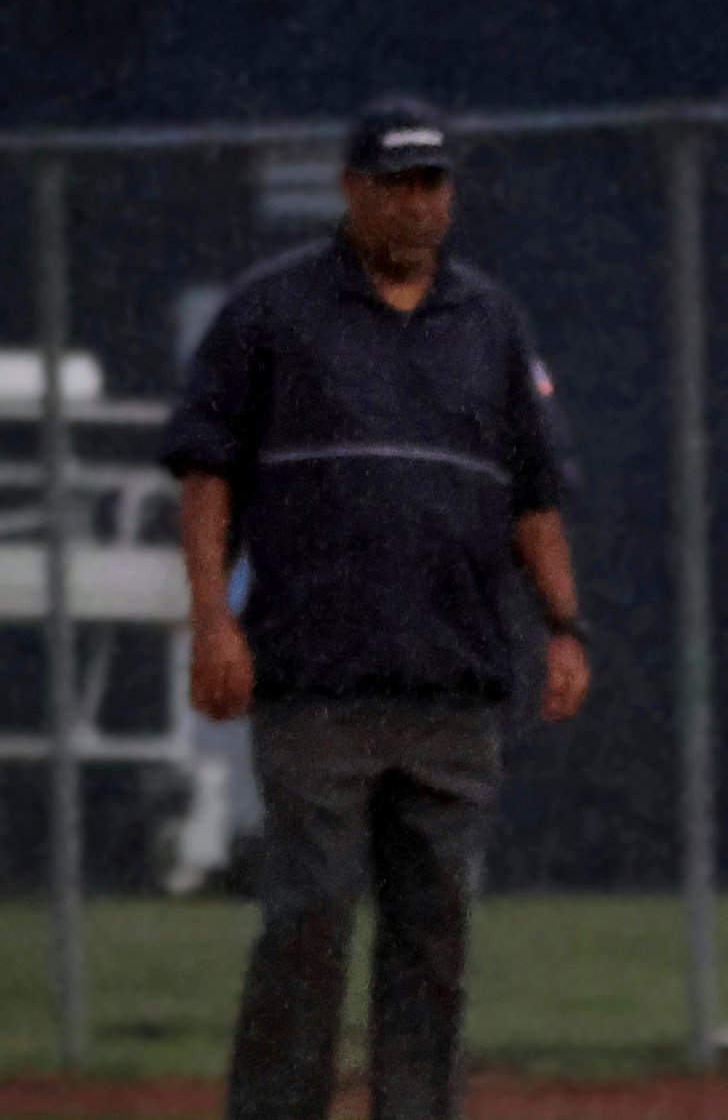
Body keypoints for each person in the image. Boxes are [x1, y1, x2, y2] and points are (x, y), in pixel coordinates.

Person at [161, 96, 590, 1120]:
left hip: (452, 679)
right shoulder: (273, 310)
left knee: (434, 934)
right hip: (316, 680)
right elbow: (206, 470)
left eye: (431, 183)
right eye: (395, 184)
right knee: (307, 918)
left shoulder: (488, 321)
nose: (416, 203)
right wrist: (213, 620)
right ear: (352, 190)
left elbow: (533, 493)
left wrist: (564, 626)